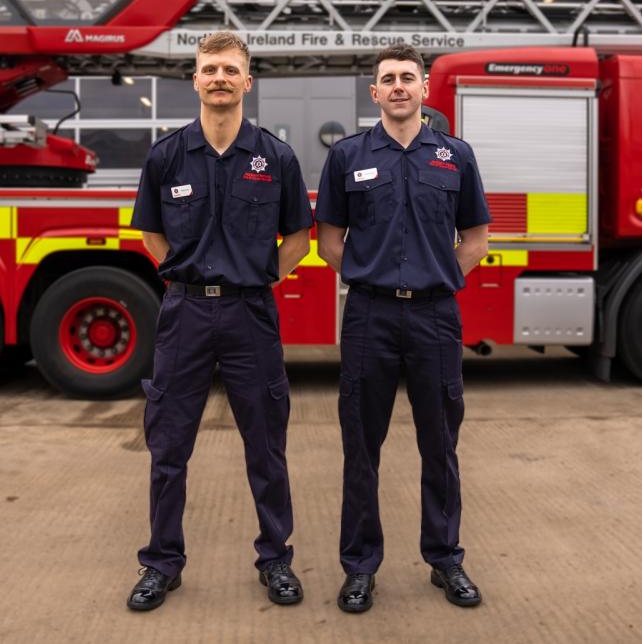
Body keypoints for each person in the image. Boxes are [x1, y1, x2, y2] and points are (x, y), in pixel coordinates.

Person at [127, 31, 312, 611]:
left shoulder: (275, 156)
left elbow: (301, 238)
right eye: (210, 69)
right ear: (196, 80)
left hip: (249, 313)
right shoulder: (166, 155)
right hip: (184, 312)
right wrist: (178, 272)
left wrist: (258, 277)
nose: (220, 78)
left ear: (247, 82)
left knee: (266, 443)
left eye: (231, 69)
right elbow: (151, 231)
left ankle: (275, 559)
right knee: (169, 445)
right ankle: (162, 563)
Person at [315, 43, 491, 613]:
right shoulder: (346, 158)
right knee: (361, 446)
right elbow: (329, 242)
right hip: (369, 315)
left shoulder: (456, 157)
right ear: (375, 93)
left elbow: (477, 240)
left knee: (440, 444)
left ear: (424, 90)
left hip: (436, 317)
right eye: (388, 79)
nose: (397, 87)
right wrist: (372, 279)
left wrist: (436, 278)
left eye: (407, 78)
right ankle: (360, 567)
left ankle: (445, 559)